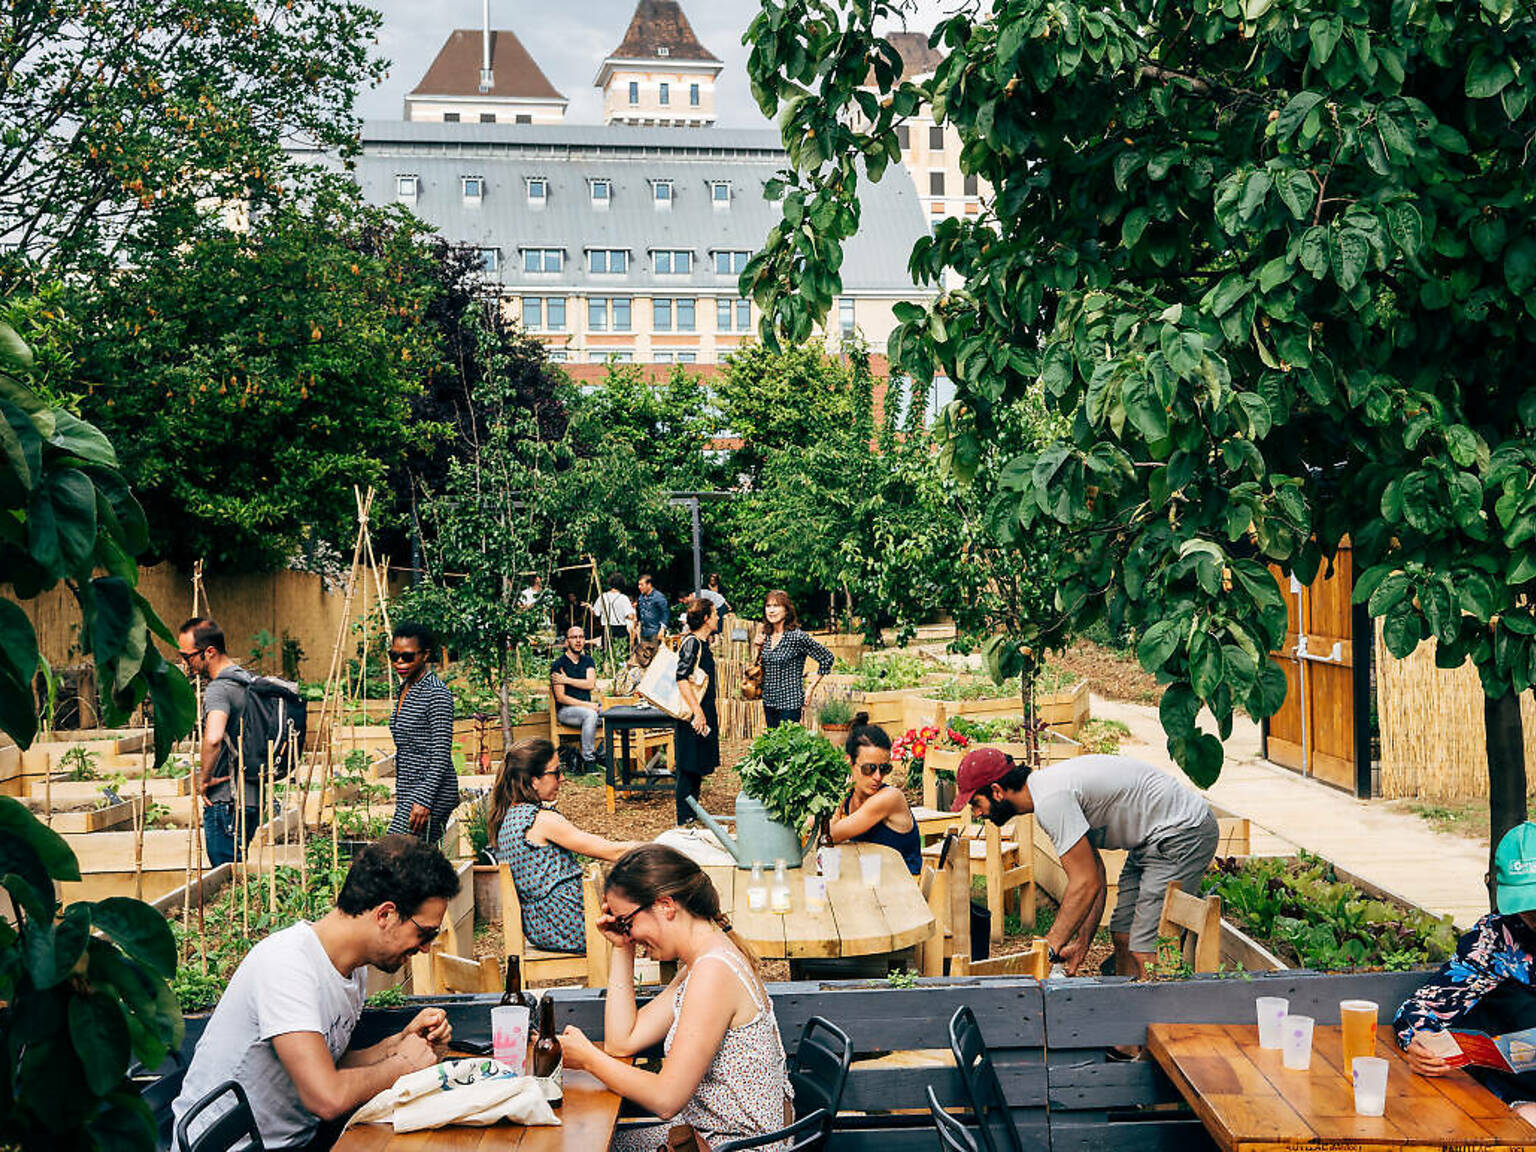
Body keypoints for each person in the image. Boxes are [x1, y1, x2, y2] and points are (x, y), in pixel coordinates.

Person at [172, 836, 461, 1149]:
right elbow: (327, 1097)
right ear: (385, 915)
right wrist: (405, 1065)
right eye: (424, 933)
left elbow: (331, 1065)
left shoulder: (352, 968)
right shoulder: (288, 965)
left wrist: (397, 1045)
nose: (426, 946)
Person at [557, 844, 793, 1152]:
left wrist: (589, 1059)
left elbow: (666, 1099)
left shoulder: (713, 972)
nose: (629, 933)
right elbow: (622, 1041)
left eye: (627, 922)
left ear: (666, 905)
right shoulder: (702, 961)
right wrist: (622, 947)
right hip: (714, 1140)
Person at [953, 750, 1218, 978]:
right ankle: (1127, 1030)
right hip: (1150, 838)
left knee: (1148, 948)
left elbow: (1085, 882)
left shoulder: (1051, 801)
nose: (977, 814)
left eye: (976, 803)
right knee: (1124, 935)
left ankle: (1166, 1028)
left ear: (997, 792)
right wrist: (1082, 944)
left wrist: (1049, 948)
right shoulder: (1048, 793)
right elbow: (1095, 875)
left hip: (1183, 831)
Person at [1395, 822, 1536, 1120]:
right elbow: (1421, 1007)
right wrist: (1420, 1044)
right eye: (1528, 908)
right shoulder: (1497, 938)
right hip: (1517, 1098)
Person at [491, 739, 635, 953]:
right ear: (534, 781)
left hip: (543, 926)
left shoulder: (509, 818)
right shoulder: (540, 820)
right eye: (556, 772)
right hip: (570, 924)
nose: (562, 778)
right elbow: (610, 851)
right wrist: (665, 849)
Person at [177, 617, 261, 867]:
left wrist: (204, 778)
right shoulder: (248, 682)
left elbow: (213, 738)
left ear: (209, 652)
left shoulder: (219, 689)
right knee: (237, 877)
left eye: (187, 656)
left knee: (225, 877)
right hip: (252, 798)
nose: (184, 663)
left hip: (226, 800)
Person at [386, 622, 458, 845]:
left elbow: (441, 754)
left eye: (407, 657)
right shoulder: (405, 688)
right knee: (416, 863)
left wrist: (424, 800)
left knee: (395, 853)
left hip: (432, 791)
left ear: (425, 655)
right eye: (394, 655)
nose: (399, 662)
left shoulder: (436, 693)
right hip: (409, 789)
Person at [828, 714, 921, 875]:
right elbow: (811, 826)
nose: (878, 777)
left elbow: (830, 835)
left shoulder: (890, 798)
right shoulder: (852, 797)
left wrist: (840, 794)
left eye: (884, 769)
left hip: (904, 889)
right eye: (869, 769)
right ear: (849, 762)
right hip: (873, 883)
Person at [755, 590, 834, 728]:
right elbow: (761, 666)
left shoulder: (796, 637)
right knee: (772, 746)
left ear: (786, 610)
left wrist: (810, 688)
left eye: (776, 606)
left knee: (788, 746)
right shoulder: (765, 635)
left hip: (789, 704)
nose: (771, 611)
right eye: (768, 606)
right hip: (769, 702)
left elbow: (827, 658)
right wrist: (758, 648)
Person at [674, 597, 719, 826]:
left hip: (703, 711)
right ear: (705, 619)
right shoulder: (691, 643)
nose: (718, 617)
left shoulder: (703, 643)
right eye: (714, 614)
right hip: (693, 713)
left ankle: (691, 816)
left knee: (697, 766)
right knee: (688, 766)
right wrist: (697, 712)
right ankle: (684, 820)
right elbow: (681, 678)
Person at [551, 625, 600, 773]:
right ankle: (588, 760)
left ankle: (603, 753)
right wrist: (587, 705)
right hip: (567, 712)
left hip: (587, 709)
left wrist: (567, 680)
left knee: (613, 713)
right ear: (567, 642)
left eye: (581, 637)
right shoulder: (558, 665)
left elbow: (590, 683)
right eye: (574, 637)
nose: (578, 641)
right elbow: (561, 697)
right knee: (590, 714)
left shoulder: (588, 661)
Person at [591, 573, 635, 648]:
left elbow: (596, 613)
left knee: (607, 653)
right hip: (621, 630)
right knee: (621, 654)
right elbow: (631, 616)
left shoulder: (603, 597)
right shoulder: (624, 598)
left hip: (606, 630)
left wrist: (590, 608)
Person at [633, 573, 669, 642]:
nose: (639, 587)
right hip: (643, 633)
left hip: (656, 633)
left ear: (649, 585)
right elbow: (639, 615)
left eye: (641, 585)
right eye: (639, 585)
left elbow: (665, 614)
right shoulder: (641, 597)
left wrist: (662, 629)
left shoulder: (659, 597)